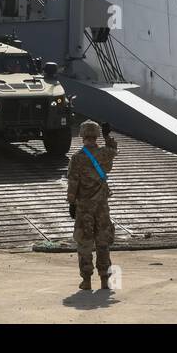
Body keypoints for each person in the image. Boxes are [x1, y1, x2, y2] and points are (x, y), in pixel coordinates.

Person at [67, 119, 118, 290]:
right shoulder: (104, 154)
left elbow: (73, 183)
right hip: (102, 207)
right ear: (96, 136)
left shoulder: (77, 159)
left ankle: (86, 280)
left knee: (85, 243)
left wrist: (72, 202)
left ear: (82, 136)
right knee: (103, 242)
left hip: (84, 207)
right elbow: (112, 151)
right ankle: (105, 278)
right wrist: (107, 137)